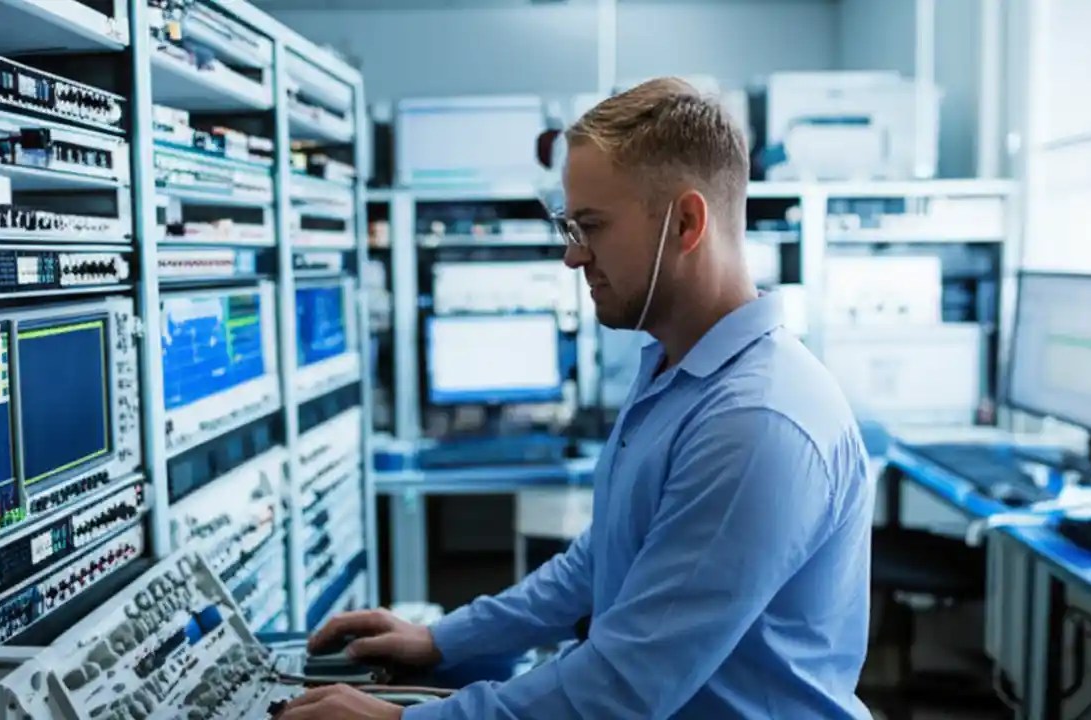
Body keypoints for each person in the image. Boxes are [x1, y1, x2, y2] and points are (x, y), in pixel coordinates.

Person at [278, 77, 875, 720]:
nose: (570, 255)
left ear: (687, 222)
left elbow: (622, 685)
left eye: (590, 226)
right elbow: (600, 563)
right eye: (569, 225)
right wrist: (441, 639)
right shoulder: (677, 373)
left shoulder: (755, 422)